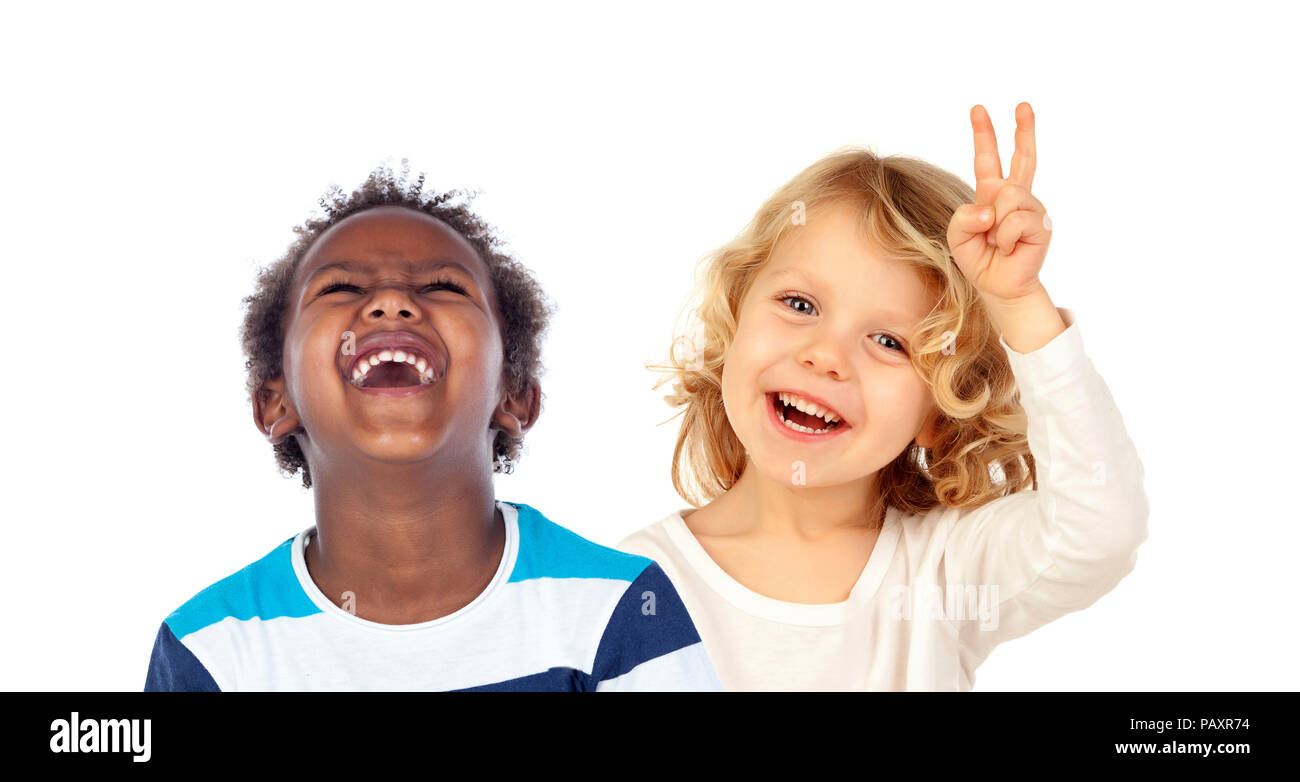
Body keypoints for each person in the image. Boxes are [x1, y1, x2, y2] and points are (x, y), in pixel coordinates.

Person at [618, 104, 1149, 690]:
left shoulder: (945, 573)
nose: (826, 354)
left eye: (890, 342)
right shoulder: (633, 587)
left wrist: (1019, 304)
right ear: (734, 318)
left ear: (941, 413)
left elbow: (1099, 530)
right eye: (799, 304)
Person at [145, 160, 722, 691]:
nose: (391, 301)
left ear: (514, 396)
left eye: (443, 287)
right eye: (340, 288)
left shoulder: (617, 609)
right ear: (275, 404)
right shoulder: (207, 651)